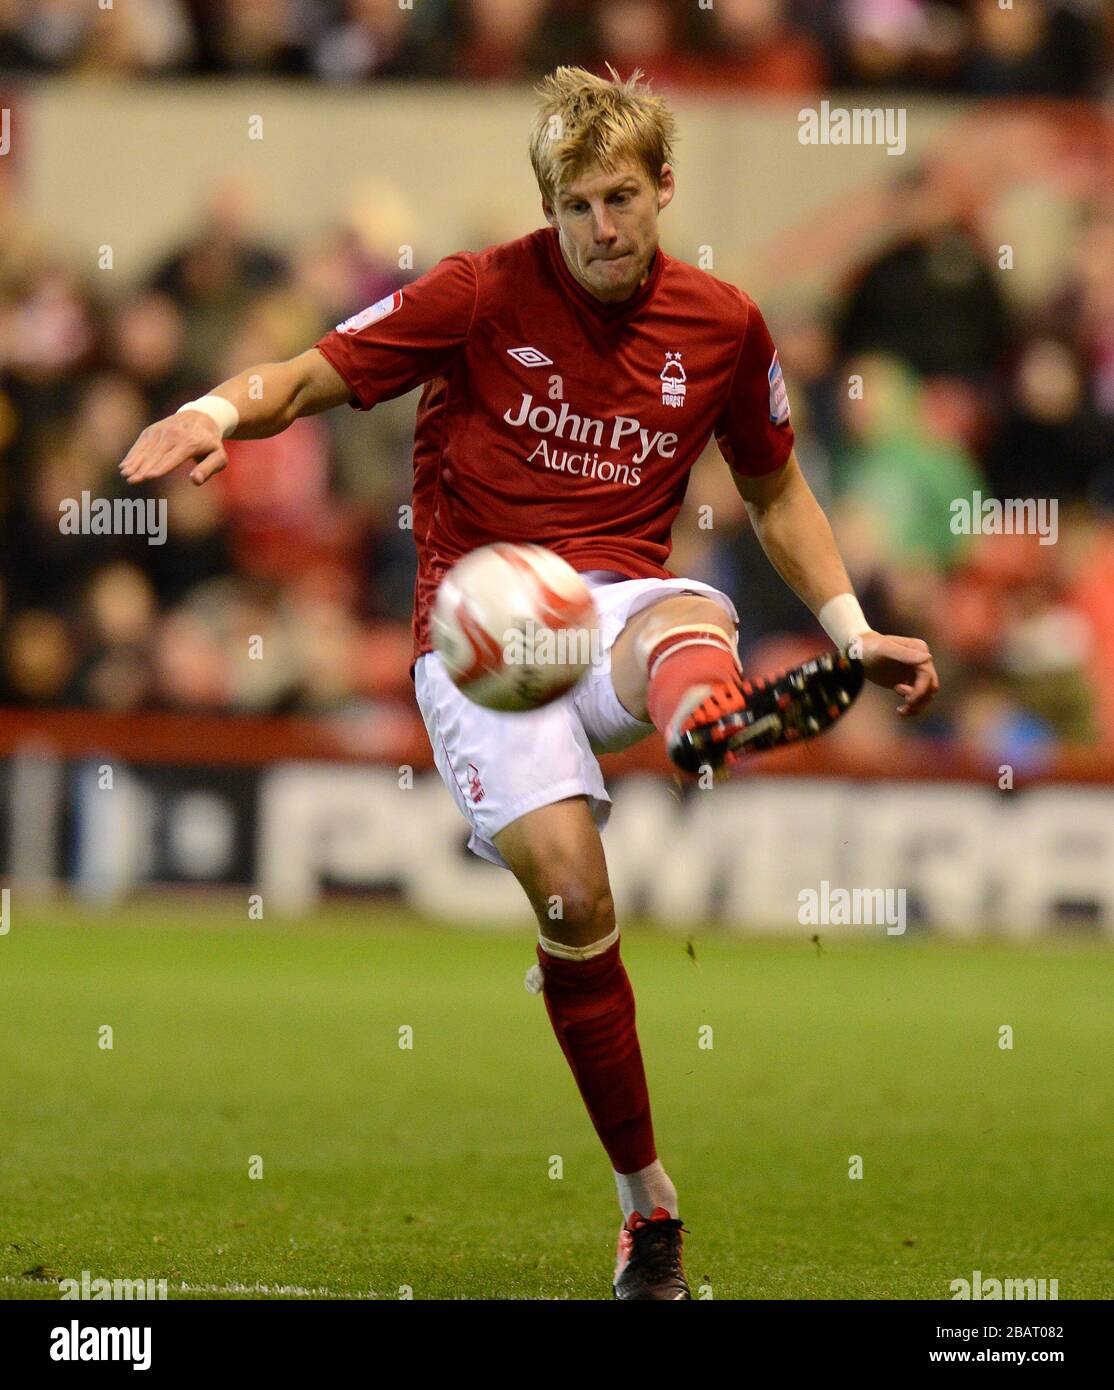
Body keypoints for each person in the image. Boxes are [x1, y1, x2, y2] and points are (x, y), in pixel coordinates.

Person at [119, 65, 938, 1300]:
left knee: (675, 612)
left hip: (610, 605)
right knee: (569, 895)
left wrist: (851, 625)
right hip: (477, 637)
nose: (601, 229)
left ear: (664, 188)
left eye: (621, 199)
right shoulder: (476, 290)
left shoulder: (723, 323)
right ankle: (645, 1204)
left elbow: (773, 490)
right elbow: (305, 373)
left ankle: (706, 722)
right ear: (546, 206)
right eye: (575, 206)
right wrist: (212, 413)